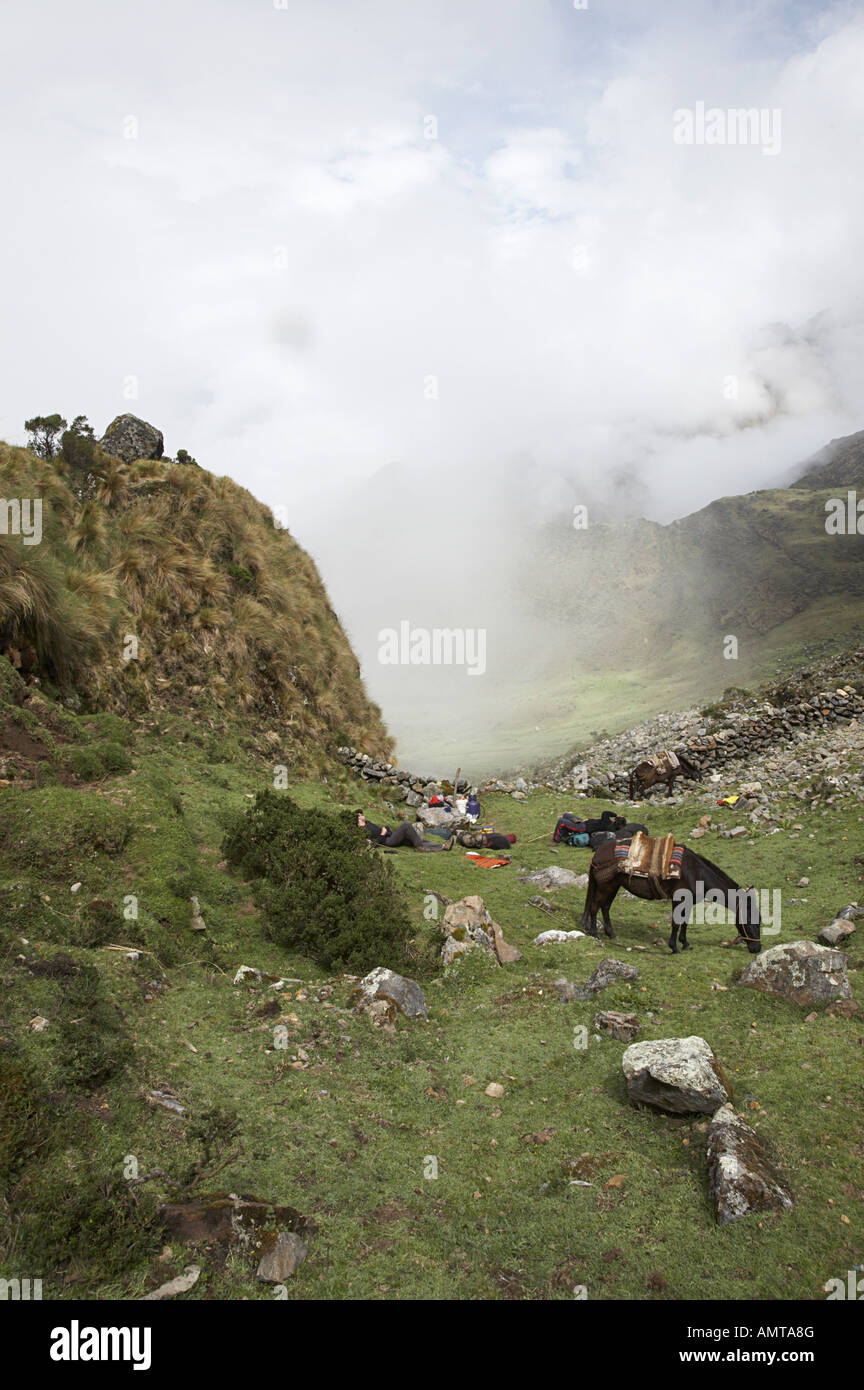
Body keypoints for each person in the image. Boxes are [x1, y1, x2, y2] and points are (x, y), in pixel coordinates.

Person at [356, 811, 456, 852]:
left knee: (416, 839)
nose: (362, 814)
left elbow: (383, 828)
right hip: (388, 841)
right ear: (358, 819)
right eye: (360, 814)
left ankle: (443, 846)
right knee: (406, 825)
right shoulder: (363, 830)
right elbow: (375, 843)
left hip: (391, 835)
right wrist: (382, 833)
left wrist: (385, 829)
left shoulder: (368, 823)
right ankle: (418, 847)